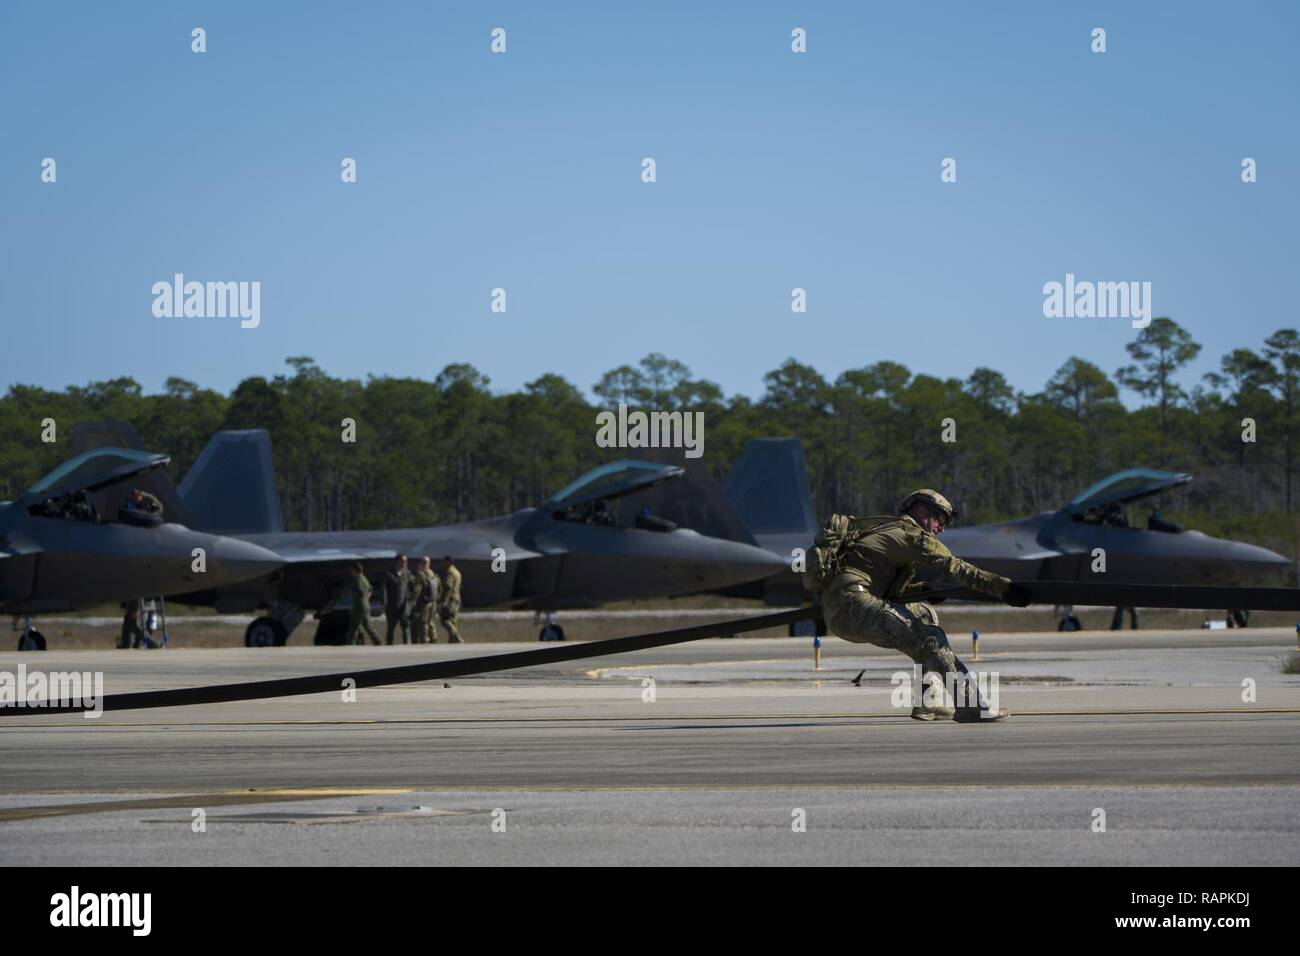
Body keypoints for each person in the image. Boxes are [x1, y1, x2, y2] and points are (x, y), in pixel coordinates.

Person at [812, 489, 1028, 722]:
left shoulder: (883, 529)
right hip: (857, 604)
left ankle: (929, 702)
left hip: (840, 613)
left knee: (924, 614)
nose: (942, 528)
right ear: (923, 511)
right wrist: (1002, 588)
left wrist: (921, 591)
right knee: (930, 639)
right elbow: (956, 568)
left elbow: (885, 588)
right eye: (941, 519)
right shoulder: (910, 533)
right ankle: (971, 705)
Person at [344, 562, 383, 646]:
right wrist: (366, 598)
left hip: (360, 606)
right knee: (367, 625)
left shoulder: (358, 580)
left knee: (353, 626)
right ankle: (377, 641)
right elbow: (370, 589)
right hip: (366, 605)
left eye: (352, 570)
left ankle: (350, 643)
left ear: (355, 570)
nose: (351, 572)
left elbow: (360, 591)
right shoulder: (364, 578)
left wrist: (358, 595)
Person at [383, 554, 412, 645]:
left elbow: (413, 587)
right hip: (392, 605)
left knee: (406, 626)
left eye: (406, 561)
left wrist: (410, 600)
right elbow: (383, 589)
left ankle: (407, 645)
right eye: (404, 561)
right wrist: (384, 602)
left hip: (403, 605)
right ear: (398, 562)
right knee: (391, 627)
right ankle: (389, 645)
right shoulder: (389, 574)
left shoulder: (407, 574)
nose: (406, 563)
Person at [410, 556, 439, 643]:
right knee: (431, 621)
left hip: (425, 602)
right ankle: (434, 637)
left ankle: (425, 639)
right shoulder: (433, 574)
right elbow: (439, 587)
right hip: (433, 602)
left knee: (424, 621)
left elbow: (417, 589)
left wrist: (413, 599)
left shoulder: (420, 574)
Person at [435, 556, 463, 644]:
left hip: (451, 599)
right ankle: (452, 640)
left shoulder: (450, 573)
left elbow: (448, 587)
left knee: (445, 620)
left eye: (445, 562)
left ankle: (457, 636)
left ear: (448, 562)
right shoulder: (457, 572)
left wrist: (445, 601)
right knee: (453, 620)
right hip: (457, 598)